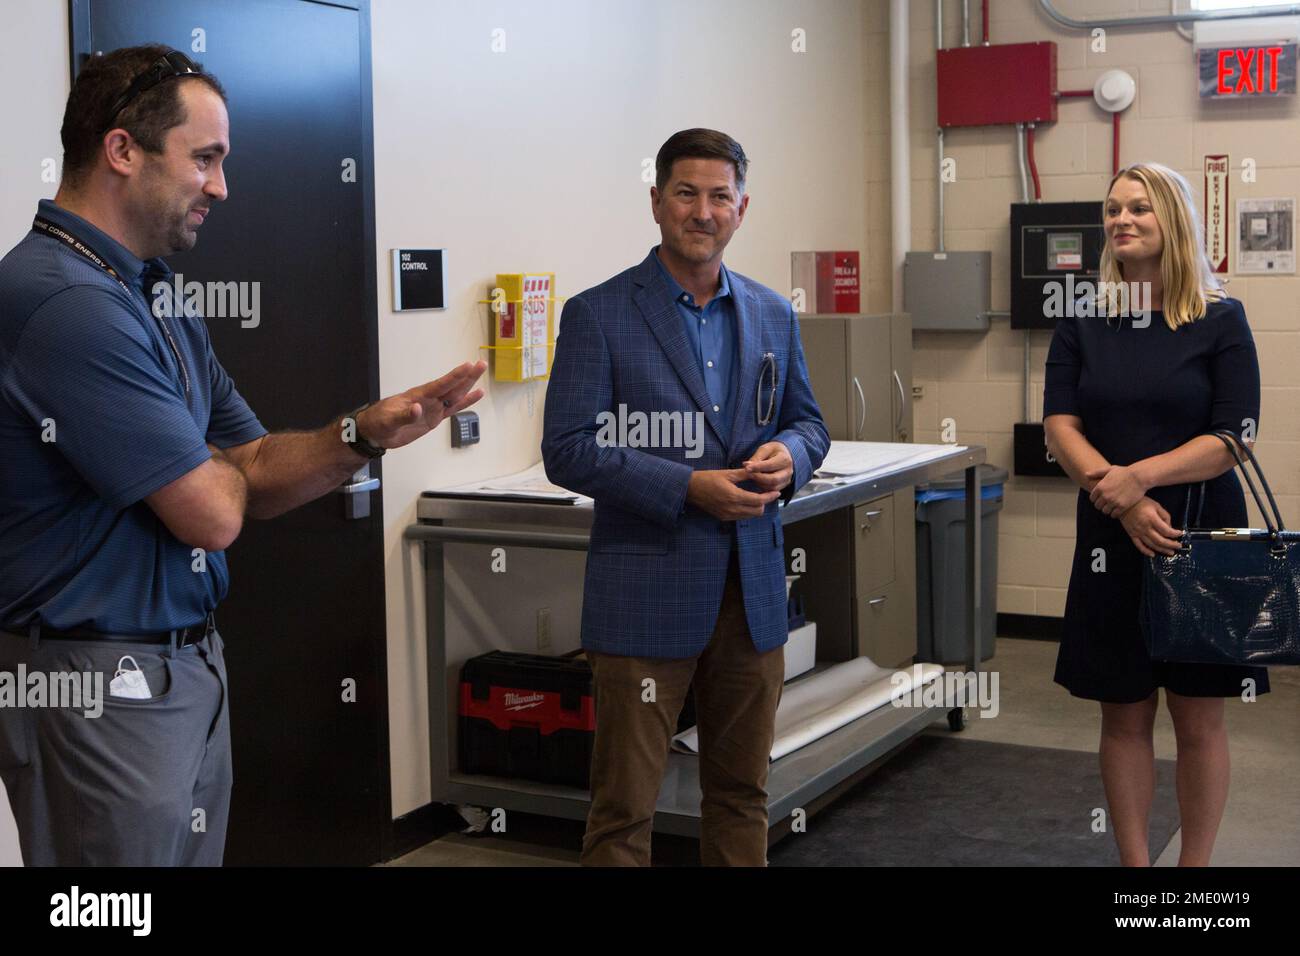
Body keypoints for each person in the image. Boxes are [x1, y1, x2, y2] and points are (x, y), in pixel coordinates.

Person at [0, 45, 486, 866]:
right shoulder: (65, 302)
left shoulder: (151, 291)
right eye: (206, 159)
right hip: (96, 680)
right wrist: (219, 471)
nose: (221, 187)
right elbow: (217, 512)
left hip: (183, 668)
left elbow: (253, 463)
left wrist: (362, 432)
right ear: (122, 150)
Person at [542, 128, 829, 866]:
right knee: (623, 812)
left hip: (752, 591)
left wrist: (789, 458)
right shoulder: (598, 313)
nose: (703, 211)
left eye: (719, 196)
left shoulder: (771, 313)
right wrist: (688, 487)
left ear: (742, 208)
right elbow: (568, 448)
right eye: (686, 193)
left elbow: (808, 422)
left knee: (741, 796)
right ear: (657, 202)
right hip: (645, 590)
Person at [1043, 161, 1267, 867]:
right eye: (1112, 210)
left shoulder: (1219, 318)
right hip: (1112, 535)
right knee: (1124, 712)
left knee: (1199, 718)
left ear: (1173, 219)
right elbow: (1060, 424)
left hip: (1204, 537)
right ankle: (1137, 871)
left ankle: (1191, 874)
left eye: (1139, 207)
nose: (1122, 220)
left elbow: (1235, 436)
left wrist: (1139, 478)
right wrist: (1125, 499)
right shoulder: (1084, 316)